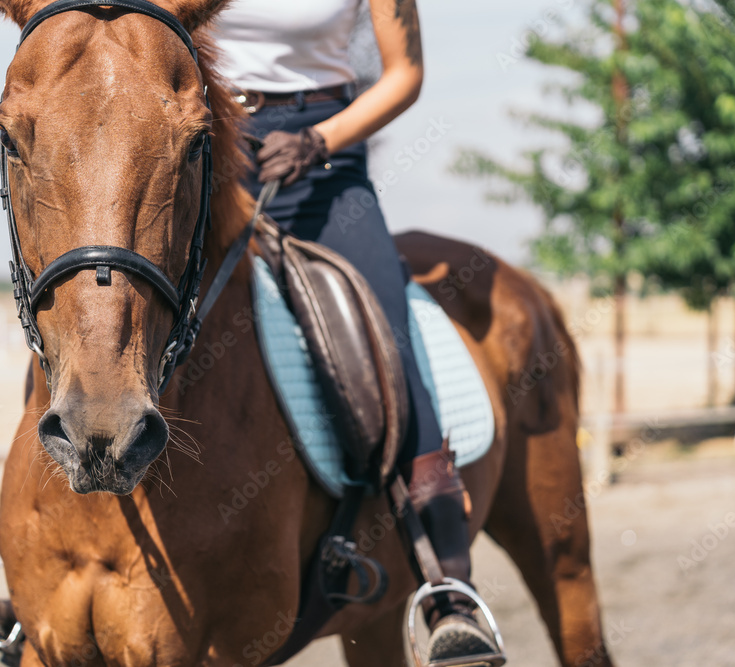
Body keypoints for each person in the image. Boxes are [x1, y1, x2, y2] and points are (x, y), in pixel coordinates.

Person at [214, 0, 499, 660]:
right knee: (121, 305)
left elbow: (405, 73)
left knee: (385, 338)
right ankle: (48, 574)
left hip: (323, 158)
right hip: (205, 142)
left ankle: (451, 589)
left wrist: (321, 141)